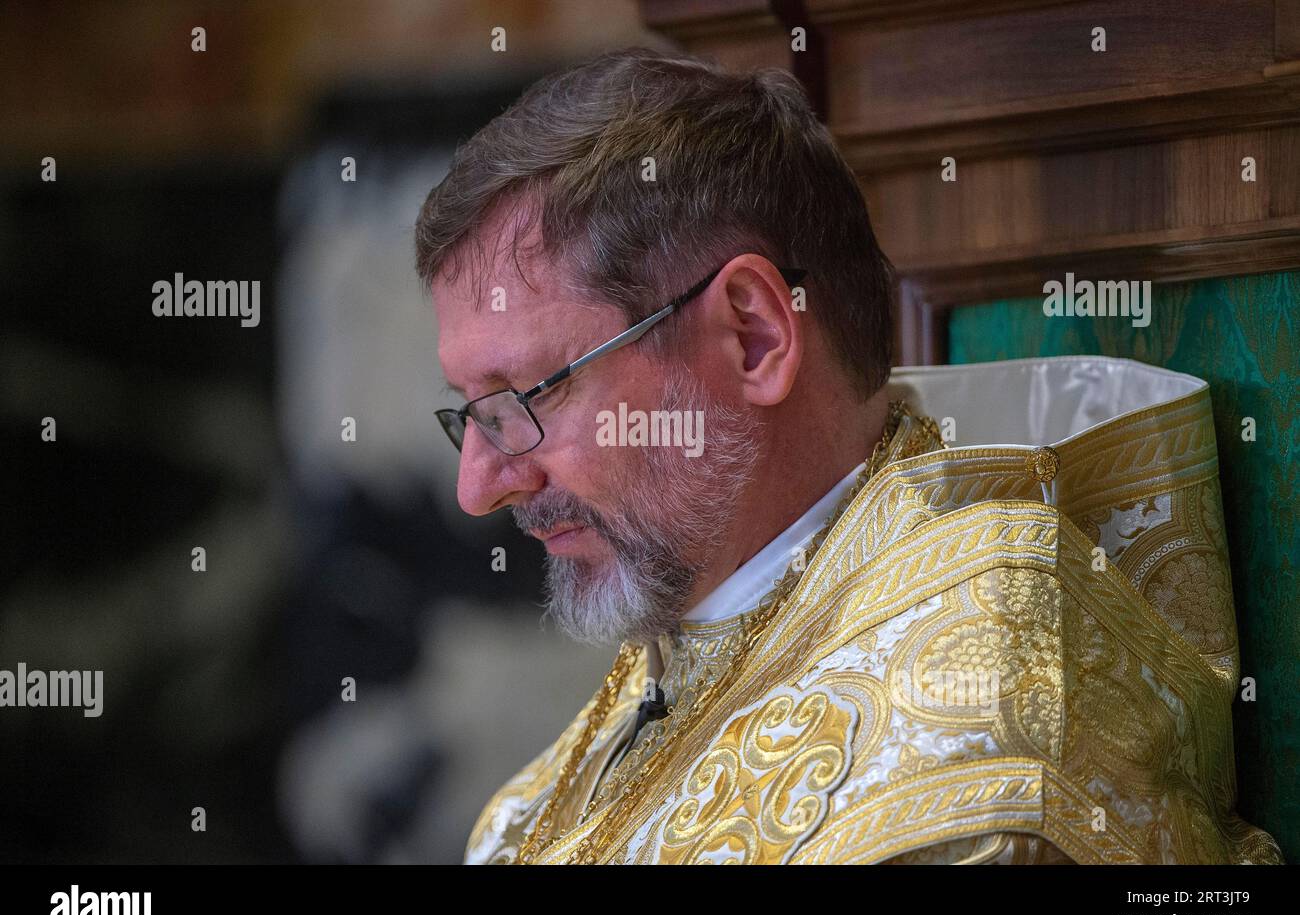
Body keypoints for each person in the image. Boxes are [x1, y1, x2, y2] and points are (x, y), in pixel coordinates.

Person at [415, 47, 1283, 865]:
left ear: (753, 336)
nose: (480, 486)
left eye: (527, 397)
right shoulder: (549, 787)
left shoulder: (973, 732)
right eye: (474, 415)